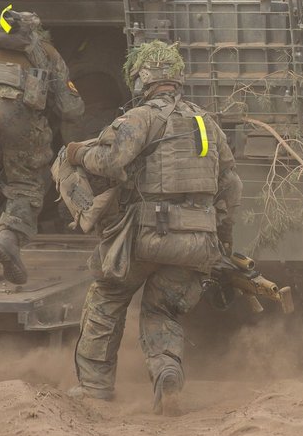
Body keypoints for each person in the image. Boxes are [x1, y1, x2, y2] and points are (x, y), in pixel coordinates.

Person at [64, 40, 242, 415]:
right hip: (198, 242)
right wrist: (222, 244)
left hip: (146, 236)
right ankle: (166, 373)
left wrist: (79, 153)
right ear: (177, 80)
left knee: (107, 298)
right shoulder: (207, 123)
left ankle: (95, 387)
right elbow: (231, 186)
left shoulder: (140, 118)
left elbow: (111, 161)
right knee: (162, 310)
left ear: (140, 81)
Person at [0, 9, 84, 285]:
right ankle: (8, 238)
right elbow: (70, 109)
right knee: (26, 179)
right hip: (13, 110)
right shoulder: (45, 50)